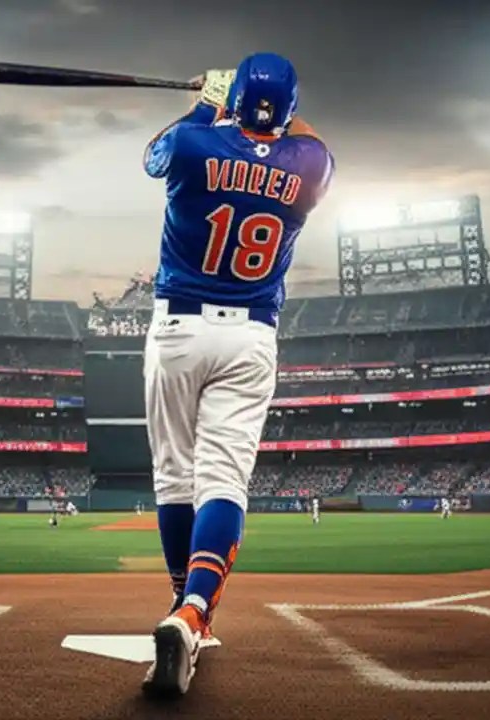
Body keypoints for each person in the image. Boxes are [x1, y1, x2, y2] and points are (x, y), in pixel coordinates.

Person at [140, 52, 333, 698]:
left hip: (178, 328)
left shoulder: (195, 144)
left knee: (175, 475)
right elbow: (304, 139)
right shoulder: (308, 169)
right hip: (250, 336)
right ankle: (193, 613)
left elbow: (153, 154)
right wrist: (253, 108)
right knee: (222, 478)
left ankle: (178, 603)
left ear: (236, 96)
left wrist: (208, 101)